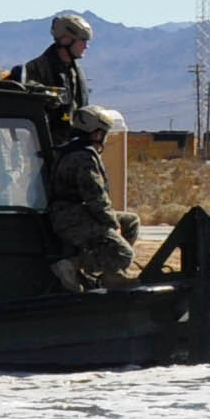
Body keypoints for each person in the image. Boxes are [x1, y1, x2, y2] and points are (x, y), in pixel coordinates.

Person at [44, 102, 141, 291]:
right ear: (97, 133)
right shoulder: (83, 157)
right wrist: (112, 224)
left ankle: (113, 274)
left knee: (131, 221)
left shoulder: (68, 150)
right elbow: (96, 197)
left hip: (74, 213)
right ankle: (72, 264)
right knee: (124, 254)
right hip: (71, 217)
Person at [17, 13, 93, 109]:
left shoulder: (75, 71)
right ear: (66, 40)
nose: (86, 46)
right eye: (82, 40)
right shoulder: (36, 69)